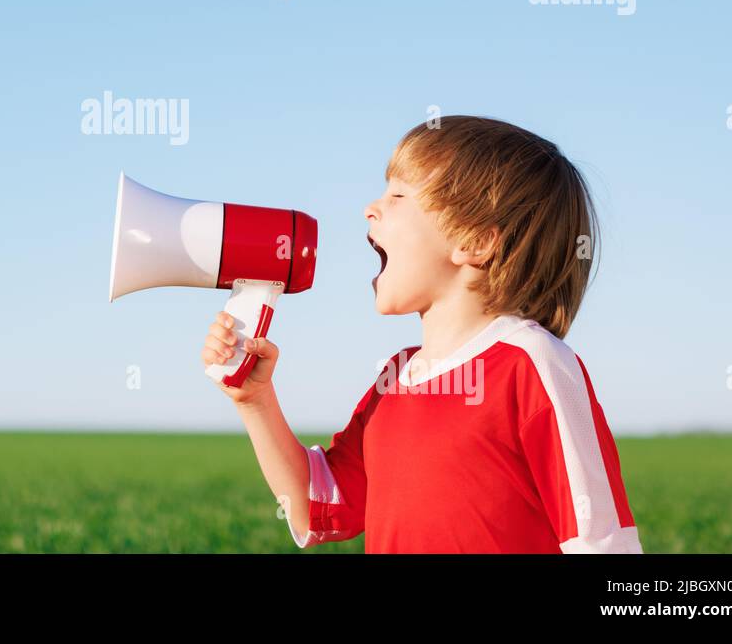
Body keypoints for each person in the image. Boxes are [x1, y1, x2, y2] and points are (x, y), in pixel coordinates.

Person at [203, 115, 643, 553]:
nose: (370, 207)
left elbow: (600, 540)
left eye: (397, 195)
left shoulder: (532, 363)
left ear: (473, 241)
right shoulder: (394, 376)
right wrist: (255, 401)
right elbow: (317, 509)